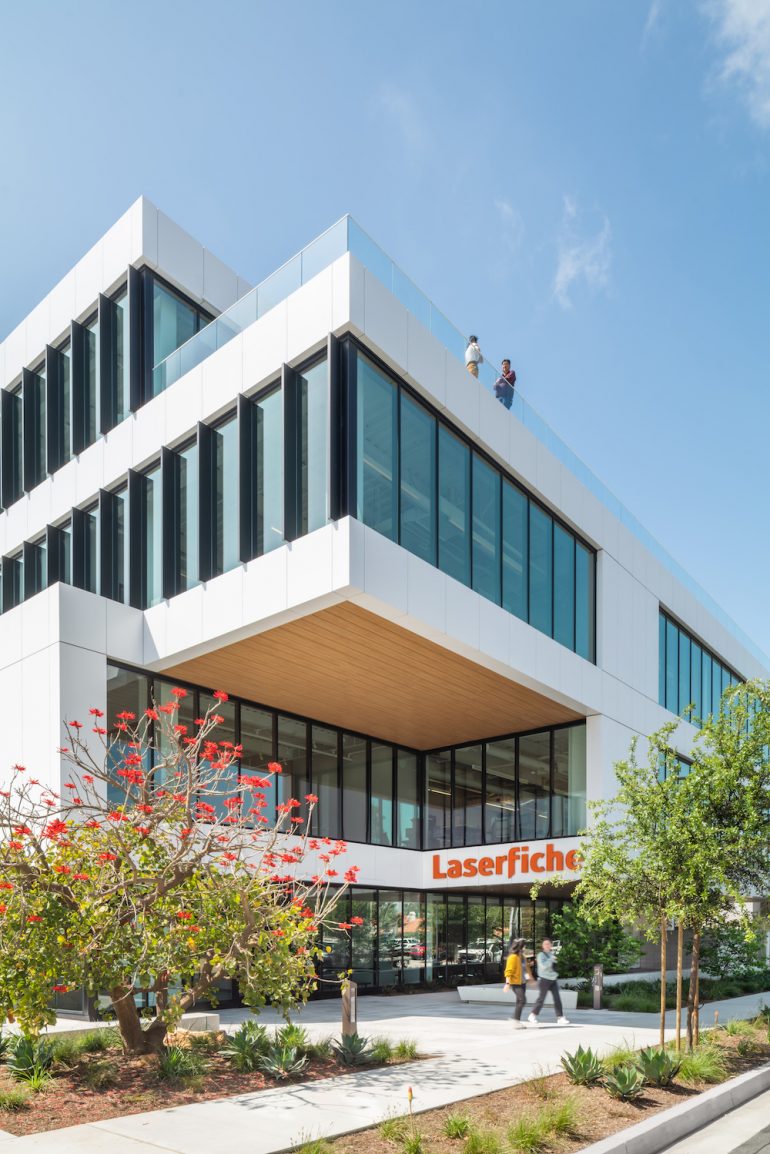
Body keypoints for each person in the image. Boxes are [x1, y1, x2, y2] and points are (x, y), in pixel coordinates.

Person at [527, 938, 570, 1026]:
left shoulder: (551, 954)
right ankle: (532, 1015)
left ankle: (560, 1017)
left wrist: (555, 970)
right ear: (543, 946)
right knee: (541, 999)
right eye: (545, 944)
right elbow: (543, 966)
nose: (547, 945)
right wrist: (551, 959)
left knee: (557, 999)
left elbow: (553, 967)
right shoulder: (540, 955)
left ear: (551, 945)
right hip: (544, 980)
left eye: (548, 944)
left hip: (553, 980)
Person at [503, 937, 528, 1028]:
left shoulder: (521, 956)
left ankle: (515, 1019)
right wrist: (507, 984)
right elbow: (508, 971)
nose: (525, 947)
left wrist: (530, 979)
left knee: (519, 1001)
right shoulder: (512, 957)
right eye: (524, 946)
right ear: (520, 946)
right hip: (516, 983)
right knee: (522, 1000)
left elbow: (525, 969)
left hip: (523, 982)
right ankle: (515, 1020)